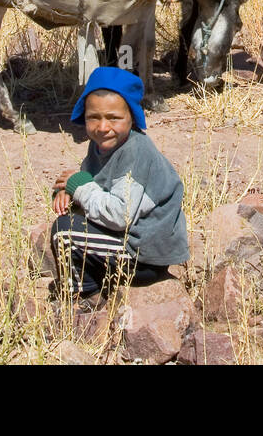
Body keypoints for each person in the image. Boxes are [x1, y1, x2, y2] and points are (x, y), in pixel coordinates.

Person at [50, 66, 190, 299]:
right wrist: (68, 192)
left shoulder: (136, 151)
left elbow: (120, 216)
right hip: (129, 242)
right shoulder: (101, 145)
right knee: (69, 220)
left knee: (64, 232)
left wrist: (80, 187)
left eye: (114, 118)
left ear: (132, 118)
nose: (103, 127)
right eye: (93, 117)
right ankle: (95, 285)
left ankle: (84, 297)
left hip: (144, 255)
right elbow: (89, 186)